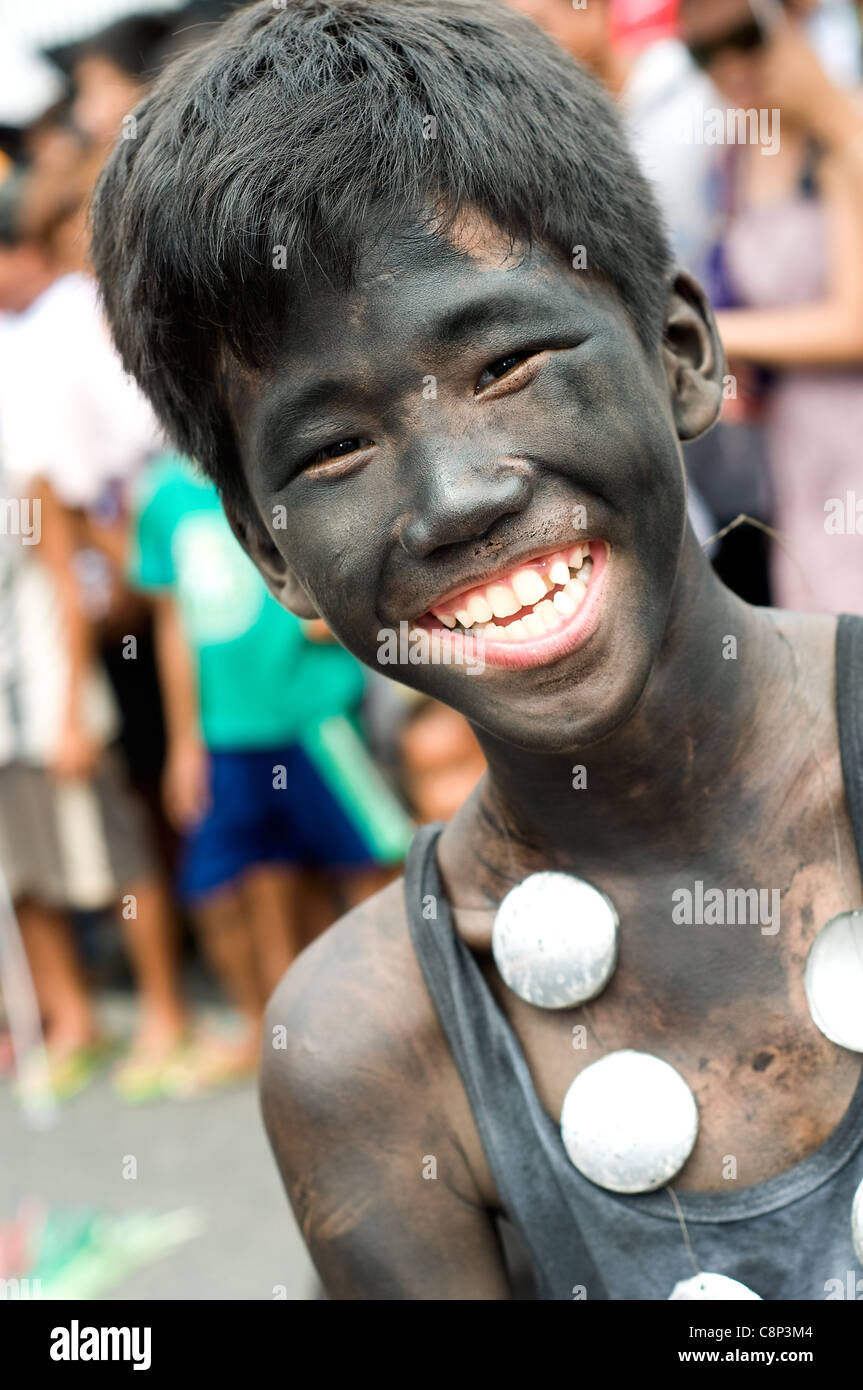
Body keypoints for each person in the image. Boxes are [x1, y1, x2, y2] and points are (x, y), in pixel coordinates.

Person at [91, 0, 863, 1299]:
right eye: (332, 449)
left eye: (505, 361)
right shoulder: (366, 1048)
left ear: (678, 351)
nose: (454, 497)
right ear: (276, 557)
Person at [129, 452, 413, 1091]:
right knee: (246, 880)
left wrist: (346, 617)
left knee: (371, 866)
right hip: (227, 731)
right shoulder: (162, 499)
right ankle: (278, 1033)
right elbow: (170, 625)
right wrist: (185, 742)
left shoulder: (277, 466)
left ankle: (400, 1019)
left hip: (317, 717)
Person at [679, 0, 863, 616]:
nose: (730, 64)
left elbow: (854, 323)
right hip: (794, 459)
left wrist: (720, 333)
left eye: (745, 37)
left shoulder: (843, 132)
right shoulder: (731, 157)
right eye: (703, 52)